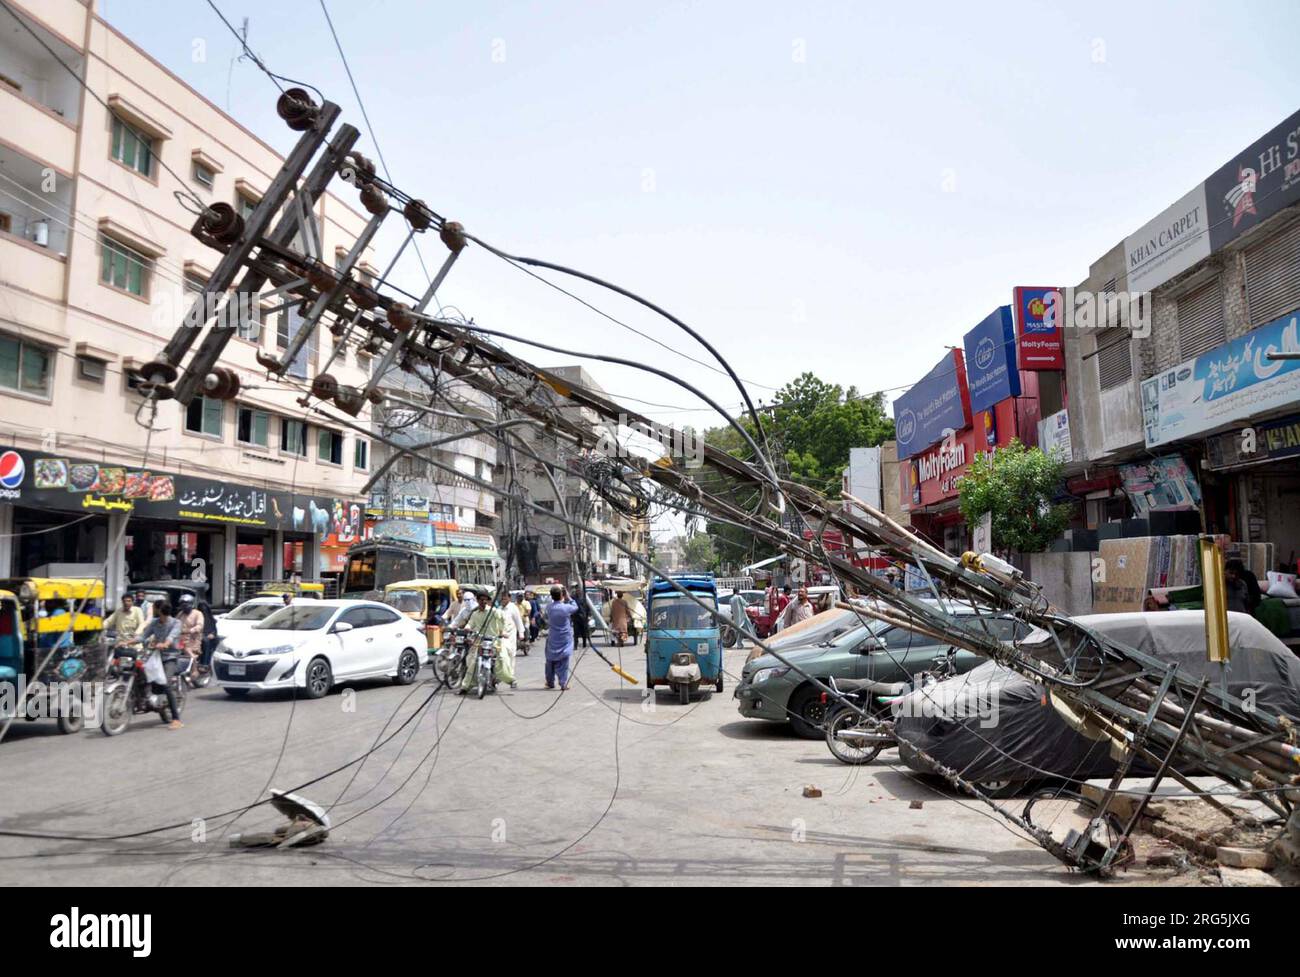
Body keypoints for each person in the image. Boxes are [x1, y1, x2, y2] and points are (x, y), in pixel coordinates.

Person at [138, 600, 184, 730]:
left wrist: (165, 644)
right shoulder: (154, 622)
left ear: (160, 610)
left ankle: (176, 719)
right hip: (156, 656)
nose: (152, 611)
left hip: (171, 657)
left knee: (165, 684)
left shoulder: (176, 623)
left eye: (154, 608)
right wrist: (128, 641)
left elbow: (171, 637)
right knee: (141, 674)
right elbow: (143, 636)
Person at [459, 588, 508, 695]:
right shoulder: (475, 614)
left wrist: (503, 632)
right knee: (471, 661)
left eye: (486, 600)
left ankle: (509, 679)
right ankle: (465, 686)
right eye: (481, 600)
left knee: (502, 658)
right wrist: (467, 628)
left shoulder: (494, 611)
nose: (483, 602)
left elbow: (503, 620)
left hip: (493, 641)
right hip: (479, 641)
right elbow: (470, 624)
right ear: (477, 600)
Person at [544, 585, 579, 690]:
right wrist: (568, 597)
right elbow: (575, 607)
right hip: (564, 639)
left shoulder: (549, 607)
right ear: (561, 595)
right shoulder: (566, 608)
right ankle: (563, 683)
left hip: (553, 638)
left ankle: (550, 682)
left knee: (550, 661)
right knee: (564, 661)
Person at [177, 594, 205, 671]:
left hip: (192, 639)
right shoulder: (180, 614)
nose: (184, 606)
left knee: (190, 655)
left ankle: (194, 670)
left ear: (190, 604)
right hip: (180, 640)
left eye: (185, 604)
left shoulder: (197, 613)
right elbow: (175, 624)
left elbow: (200, 626)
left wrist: (191, 631)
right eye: (182, 604)